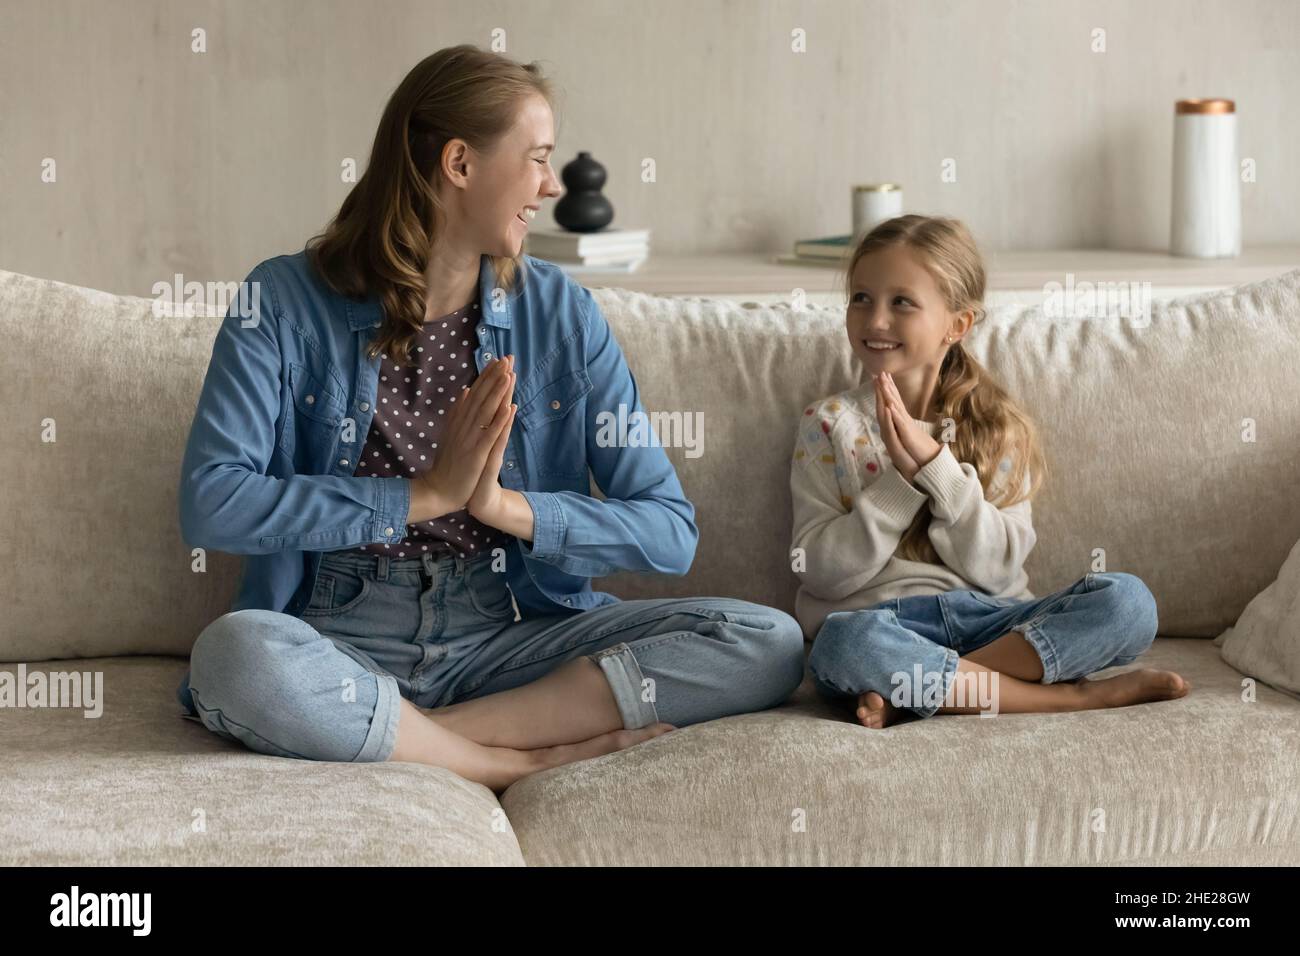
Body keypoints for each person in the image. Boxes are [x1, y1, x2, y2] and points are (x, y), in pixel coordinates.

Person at [176, 45, 804, 792]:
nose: (549, 183)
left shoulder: (559, 312)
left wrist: (505, 509)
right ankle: (501, 760)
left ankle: (411, 736)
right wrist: (423, 496)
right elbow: (210, 503)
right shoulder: (281, 301)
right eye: (537, 157)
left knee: (768, 641)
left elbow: (669, 530)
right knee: (234, 655)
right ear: (459, 165)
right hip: (337, 633)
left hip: (506, 635)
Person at [792, 214, 1190, 728]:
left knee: (1129, 603)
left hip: (992, 621)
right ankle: (1074, 699)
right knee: (842, 644)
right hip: (879, 625)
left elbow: (999, 569)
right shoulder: (827, 425)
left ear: (956, 326)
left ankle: (922, 689)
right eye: (861, 298)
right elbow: (816, 569)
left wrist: (937, 469)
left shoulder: (997, 427)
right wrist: (901, 482)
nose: (875, 320)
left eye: (902, 302)